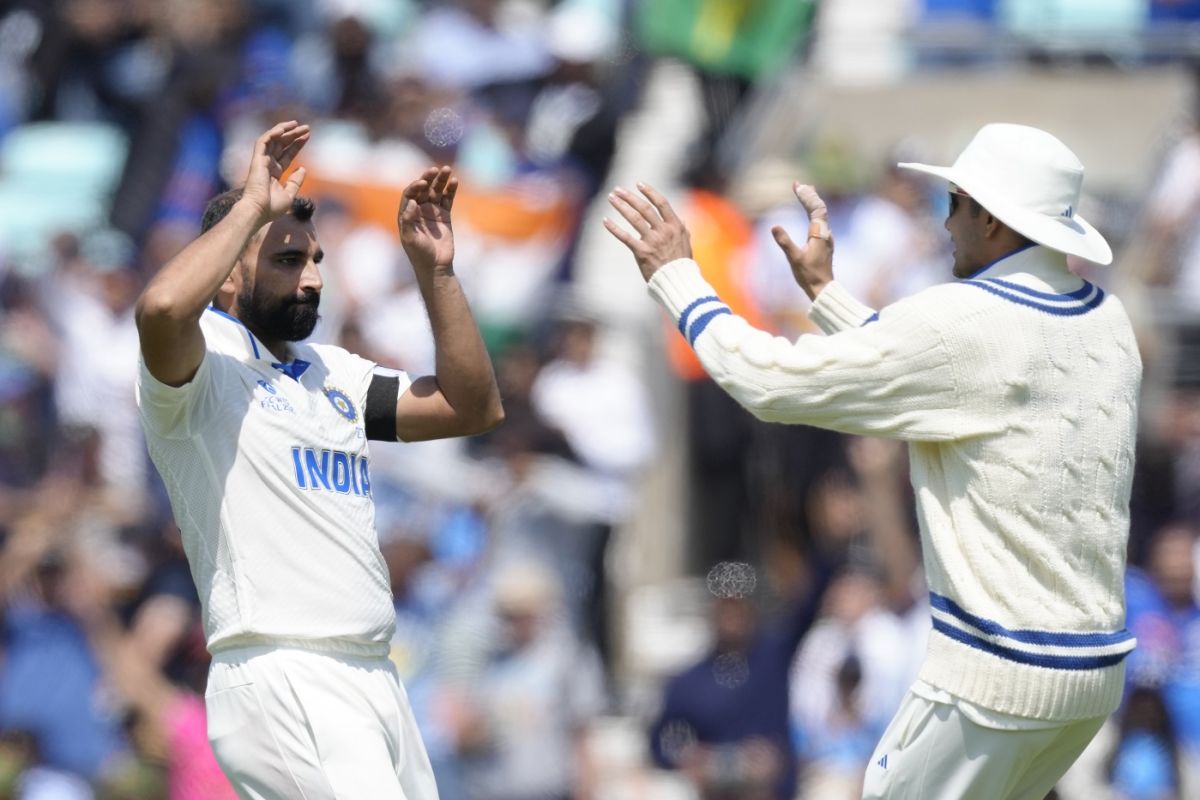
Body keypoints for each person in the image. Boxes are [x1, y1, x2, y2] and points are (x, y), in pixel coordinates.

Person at [605, 122, 1142, 799]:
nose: (942, 221)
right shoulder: (1108, 321)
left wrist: (679, 277)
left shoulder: (968, 320)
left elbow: (771, 385)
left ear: (997, 222)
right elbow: (948, 369)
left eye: (956, 203)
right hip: (1089, 678)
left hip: (993, 681)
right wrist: (828, 297)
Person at [134, 120, 504, 799]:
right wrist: (249, 207)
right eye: (285, 261)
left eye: (314, 262)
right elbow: (160, 306)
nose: (309, 280)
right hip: (282, 669)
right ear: (224, 275)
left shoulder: (329, 372)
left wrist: (436, 272)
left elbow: (471, 408)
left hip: (372, 672)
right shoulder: (202, 367)